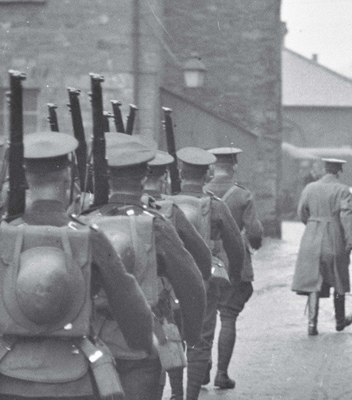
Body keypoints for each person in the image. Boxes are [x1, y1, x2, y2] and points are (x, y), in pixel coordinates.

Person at [0, 132, 154, 400]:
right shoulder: (89, 237)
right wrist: (143, 341)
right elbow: (127, 297)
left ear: (27, 179)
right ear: (67, 179)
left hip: (10, 377)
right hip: (74, 378)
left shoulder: (0, 236)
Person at [81, 134, 207, 400]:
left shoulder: (84, 222)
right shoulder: (156, 224)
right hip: (143, 342)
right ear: (143, 178)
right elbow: (192, 282)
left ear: (109, 178)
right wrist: (192, 333)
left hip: (93, 341)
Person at [169, 147, 246, 400]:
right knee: (201, 339)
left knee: (172, 336)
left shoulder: (166, 203)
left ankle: (176, 393)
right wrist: (234, 276)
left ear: (181, 174)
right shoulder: (215, 205)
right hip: (203, 279)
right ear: (206, 175)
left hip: (169, 281)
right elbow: (236, 246)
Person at [143, 150, 212, 400]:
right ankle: (179, 395)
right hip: (161, 295)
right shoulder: (167, 212)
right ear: (164, 178)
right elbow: (200, 258)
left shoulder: (93, 213)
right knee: (167, 341)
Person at [204, 146, 264, 389]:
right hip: (232, 261)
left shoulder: (201, 192)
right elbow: (255, 232)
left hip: (203, 259)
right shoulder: (242, 195)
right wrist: (254, 245)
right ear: (234, 167)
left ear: (212, 167)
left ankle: (201, 368)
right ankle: (222, 374)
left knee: (204, 316)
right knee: (228, 317)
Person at [292, 158, 352, 335]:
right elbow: (346, 215)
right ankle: (340, 321)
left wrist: (313, 224)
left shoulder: (310, 188)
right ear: (339, 171)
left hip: (311, 236)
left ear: (324, 170)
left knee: (313, 280)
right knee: (338, 277)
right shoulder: (342, 190)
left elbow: (301, 212)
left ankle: (311, 325)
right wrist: (350, 240)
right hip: (334, 235)